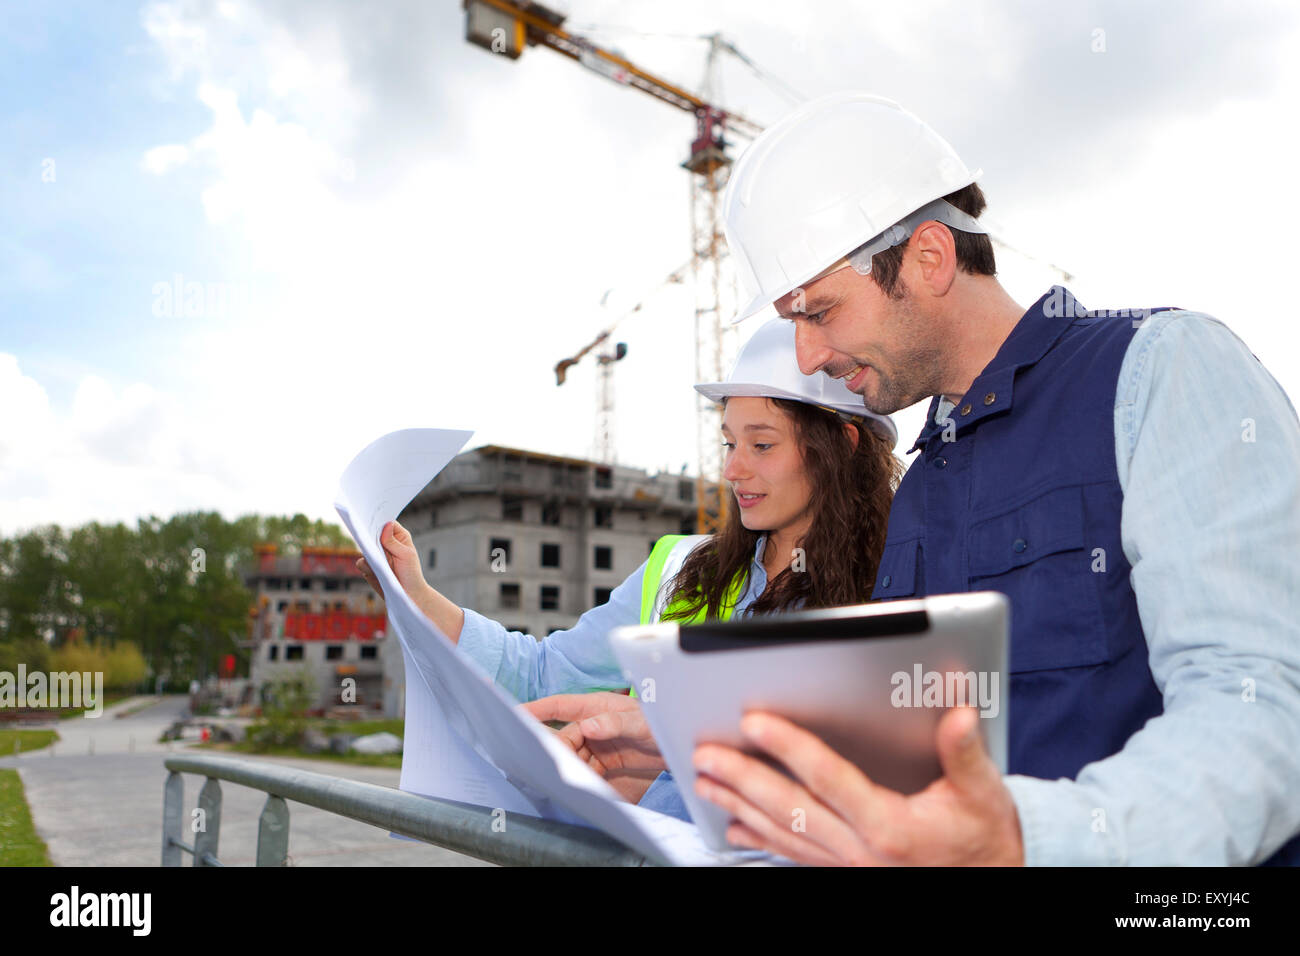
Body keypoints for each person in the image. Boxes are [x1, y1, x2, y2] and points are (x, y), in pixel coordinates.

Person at [676, 91, 1300, 865]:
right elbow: (907, 747)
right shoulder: (920, 487)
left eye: (820, 312)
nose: (806, 357)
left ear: (929, 258)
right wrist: (711, 749)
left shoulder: (1159, 372)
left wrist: (1021, 841)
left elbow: (1266, 708)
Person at [356, 317, 902, 816]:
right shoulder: (680, 569)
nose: (734, 469)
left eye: (762, 444)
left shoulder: (901, 584)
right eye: (730, 442)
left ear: (842, 445)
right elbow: (542, 673)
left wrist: (674, 758)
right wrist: (418, 597)